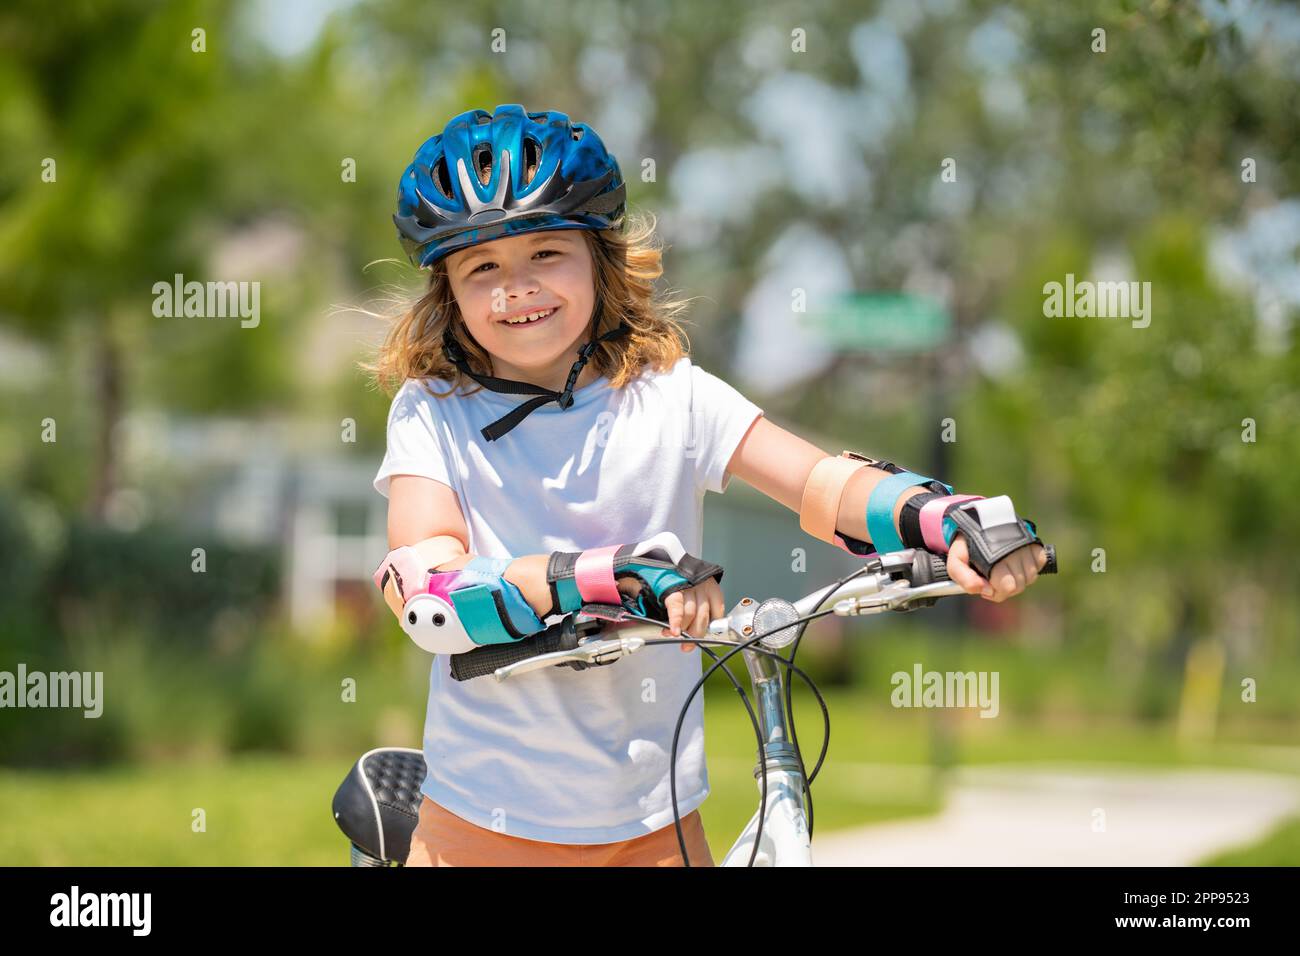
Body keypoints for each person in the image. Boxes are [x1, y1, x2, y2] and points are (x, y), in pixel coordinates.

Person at [366, 105, 1047, 867]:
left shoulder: (671, 396)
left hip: (655, 821)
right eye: (481, 267)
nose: (516, 288)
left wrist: (946, 519)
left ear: (601, 258)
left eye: (546, 253)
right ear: (447, 292)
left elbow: (819, 482)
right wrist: (600, 578)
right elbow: (427, 587)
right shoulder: (434, 412)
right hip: (484, 825)